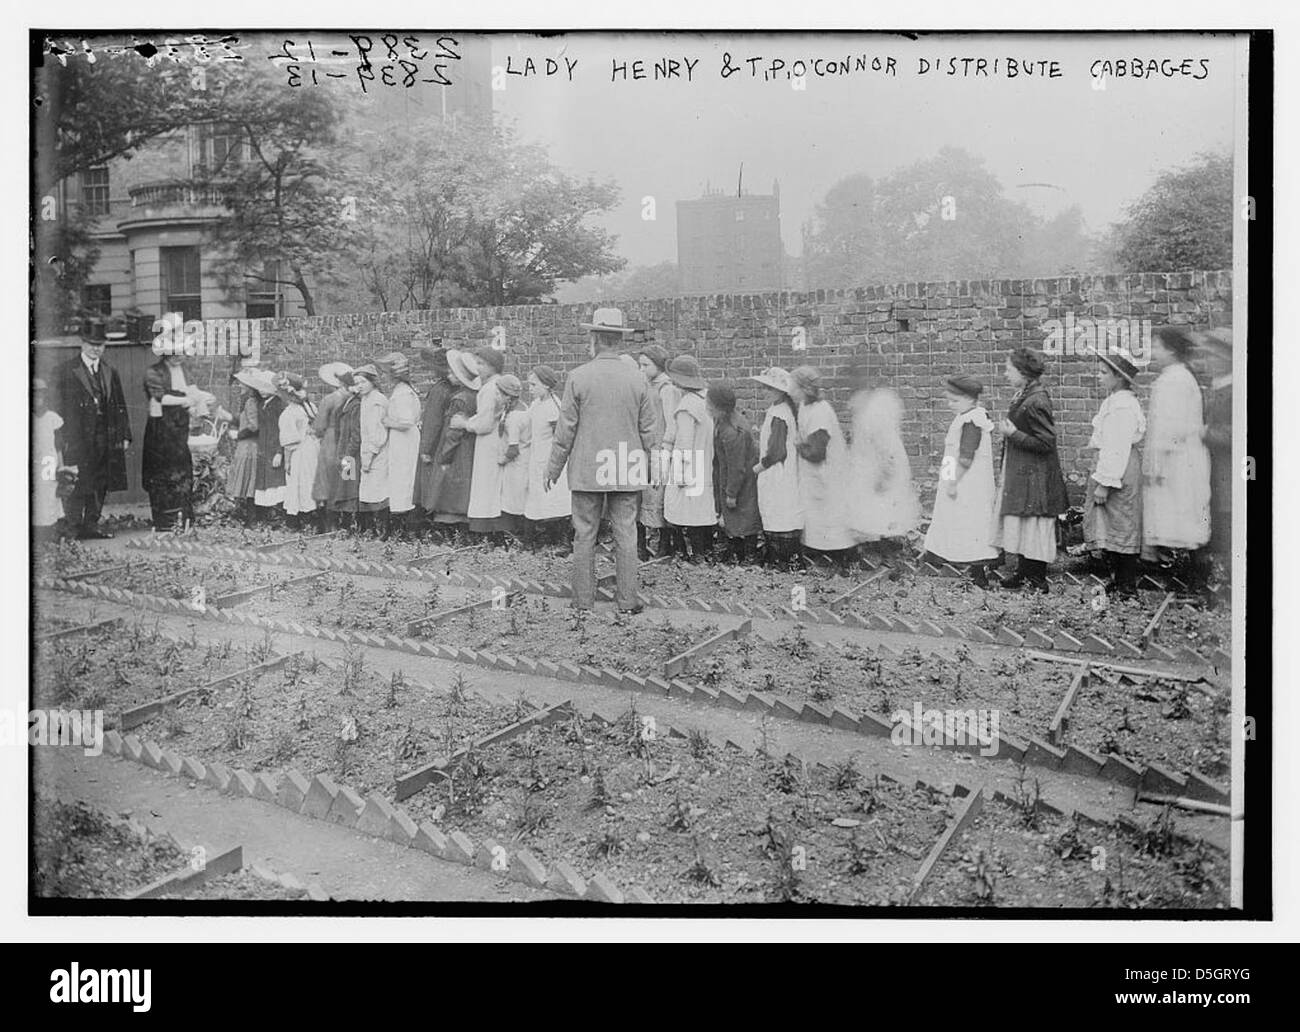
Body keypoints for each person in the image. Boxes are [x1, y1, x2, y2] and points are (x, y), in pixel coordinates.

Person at [545, 307, 658, 613]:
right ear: (620, 340)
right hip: (625, 465)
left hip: (588, 468)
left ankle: (583, 602)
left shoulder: (578, 377)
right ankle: (628, 601)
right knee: (626, 532)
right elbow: (650, 429)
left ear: (594, 337)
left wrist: (553, 468)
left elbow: (565, 429)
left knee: (584, 534)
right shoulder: (638, 379)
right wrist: (656, 467)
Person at [994, 347, 1070, 593]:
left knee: (1034, 524)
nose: (1005, 373)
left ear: (1023, 372)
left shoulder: (1036, 399)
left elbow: (1046, 441)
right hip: (1025, 473)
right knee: (1026, 524)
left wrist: (1013, 434)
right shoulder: (1025, 394)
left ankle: (1037, 580)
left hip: (1036, 476)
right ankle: (1023, 574)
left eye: (1009, 369)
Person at [53, 331, 132, 538]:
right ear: (82, 344)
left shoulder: (109, 371)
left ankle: (91, 525)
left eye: (100, 344)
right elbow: (57, 406)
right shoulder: (65, 371)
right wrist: (59, 437)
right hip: (77, 437)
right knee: (76, 479)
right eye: (91, 344)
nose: (96, 348)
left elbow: (119, 405)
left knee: (100, 480)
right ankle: (72, 526)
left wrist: (124, 435)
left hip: (104, 436)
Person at [922, 374, 999, 587]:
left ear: (970, 399)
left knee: (969, 522)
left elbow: (965, 457)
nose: (950, 405)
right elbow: (951, 453)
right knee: (954, 520)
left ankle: (977, 571)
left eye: (955, 401)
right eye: (949, 400)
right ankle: (961, 566)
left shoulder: (973, 421)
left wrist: (954, 481)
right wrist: (946, 479)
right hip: (954, 476)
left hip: (967, 482)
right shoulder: (963, 417)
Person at [1082, 351, 1146, 597]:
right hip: (1113, 466)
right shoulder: (1114, 400)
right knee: (1112, 525)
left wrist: (1105, 484)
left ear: (1118, 378)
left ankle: (1128, 586)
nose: (1098, 377)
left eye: (1103, 373)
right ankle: (1118, 580)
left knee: (1122, 524)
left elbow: (1117, 447)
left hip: (1119, 470)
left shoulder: (1123, 405)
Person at [788, 365, 856, 571]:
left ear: (804, 389)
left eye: (793, 385)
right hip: (814, 475)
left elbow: (817, 453)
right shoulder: (804, 406)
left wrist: (798, 446)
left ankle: (842, 559)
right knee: (818, 517)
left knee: (831, 517)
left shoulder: (820, 412)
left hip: (827, 473)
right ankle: (822, 556)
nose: (790, 389)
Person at [845, 387, 919, 546]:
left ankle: (889, 556)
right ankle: (878, 550)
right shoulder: (873, 428)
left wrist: (883, 477)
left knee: (884, 515)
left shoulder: (881, 430)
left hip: (885, 476)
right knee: (873, 514)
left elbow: (888, 457)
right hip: (877, 473)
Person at [663, 355, 718, 562]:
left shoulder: (686, 405)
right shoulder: (706, 399)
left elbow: (684, 443)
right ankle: (705, 553)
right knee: (701, 511)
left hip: (690, 466)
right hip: (705, 463)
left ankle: (690, 555)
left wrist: (680, 473)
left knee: (685, 512)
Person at [749, 367, 803, 569]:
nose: (764, 392)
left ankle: (785, 560)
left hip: (777, 470)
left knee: (780, 512)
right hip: (777, 471)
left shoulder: (780, 413)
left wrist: (759, 467)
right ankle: (778, 559)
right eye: (763, 388)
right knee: (777, 511)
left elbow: (777, 450)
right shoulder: (777, 410)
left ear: (780, 391)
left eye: (768, 389)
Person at [454, 346, 508, 538]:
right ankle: (495, 528)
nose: (477, 368)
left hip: (488, 440)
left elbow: (484, 423)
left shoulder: (489, 389)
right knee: (494, 483)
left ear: (493, 366)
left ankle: (485, 530)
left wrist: (464, 424)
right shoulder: (499, 385)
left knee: (486, 483)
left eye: (481, 364)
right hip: (498, 438)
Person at [141, 351, 196, 531]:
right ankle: (165, 521)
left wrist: (199, 399)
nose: (179, 357)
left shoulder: (185, 370)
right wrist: (186, 399)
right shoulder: (155, 372)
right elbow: (160, 397)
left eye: (182, 353)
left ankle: (184, 518)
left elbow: (192, 390)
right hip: (162, 430)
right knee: (162, 473)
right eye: (175, 353)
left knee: (183, 471)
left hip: (180, 429)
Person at [428, 349, 481, 533]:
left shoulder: (459, 399)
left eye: (452, 372)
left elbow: (453, 433)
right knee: (464, 488)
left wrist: (444, 456)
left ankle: (451, 531)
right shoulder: (476, 396)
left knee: (449, 490)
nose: (449, 375)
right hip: (469, 448)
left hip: (457, 451)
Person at [636, 345, 680, 559]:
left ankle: (665, 544)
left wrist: (666, 449)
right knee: (642, 495)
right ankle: (641, 546)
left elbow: (672, 423)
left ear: (659, 366)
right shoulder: (645, 385)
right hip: (645, 447)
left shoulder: (667, 389)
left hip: (660, 448)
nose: (641, 369)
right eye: (640, 365)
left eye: (646, 365)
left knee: (659, 496)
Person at [707, 384, 761, 563]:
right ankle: (738, 554)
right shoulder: (725, 422)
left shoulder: (732, 432)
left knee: (744, 518)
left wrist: (731, 493)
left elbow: (737, 466)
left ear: (720, 408)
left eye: (710, 405)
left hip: (740, 481)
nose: (707, 408)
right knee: (735, 518)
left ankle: (750, 557)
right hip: (731, 478)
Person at [523, 365, 572, 545]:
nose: (530, 389)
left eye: (534, 385)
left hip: (550, 458)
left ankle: (563, 540)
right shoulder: (536, 404)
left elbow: (560, 437)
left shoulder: (554, 407)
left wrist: (553, 462)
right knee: (537, 496)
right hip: (536, 456)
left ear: (546, 386)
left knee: (556, 497)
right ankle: (537, 539)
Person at [1198, 328, 1233, 567]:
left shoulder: (1235, 390)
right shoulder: (1216, 387)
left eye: (1213, 356)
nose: (1208, 361)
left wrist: (1205, 432)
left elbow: (1238, 434)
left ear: (1227, 358)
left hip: (1231, 469)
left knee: (1228, 518)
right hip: (1213, 468)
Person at [378, 351, 422, 539]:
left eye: (385, 373)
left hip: (404, 442)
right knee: (401, 482)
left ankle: (406, 530)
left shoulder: (403, 393)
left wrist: (387, 422)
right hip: (402, 442)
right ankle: (403, 528)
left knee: (403, 481)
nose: (383, 377)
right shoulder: (402, 390)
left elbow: (406, 422)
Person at [414, 348, 456, 531]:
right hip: (449, 442)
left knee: (430, 485)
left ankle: (430, 524)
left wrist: (426, 449)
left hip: (437, 445)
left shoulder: (440, 390)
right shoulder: (456, 387)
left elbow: (432, 422)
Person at [311, 362, 353, 531]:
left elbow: (319, 426)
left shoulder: (329, 399)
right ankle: (348, 522)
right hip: (348, 440)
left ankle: (330, 524)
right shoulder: (353, 399)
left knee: (326, 480)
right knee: (346, 476)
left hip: (330, 441)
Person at [277, 373, 320, 532]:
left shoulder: (289, 413)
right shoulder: (310, 407)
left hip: (300, 451)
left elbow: (290, 442)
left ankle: (297, 520)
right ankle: (312, 517)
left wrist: (287, 461)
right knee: (310, 480)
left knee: (297, 482)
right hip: (312, 448)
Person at [354, 364, 390, 535]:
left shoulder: (376, 400)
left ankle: (384, 530)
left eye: (362, 382)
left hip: (377, 453)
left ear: (372, 382)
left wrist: (369, 455)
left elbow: (377, 432)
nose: (359, 386)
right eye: (357, 383)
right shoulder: (366, 399)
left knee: (378, 490)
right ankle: (372, 529)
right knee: (368, 490)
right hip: (367, 451)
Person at [226, 369, 264, 526]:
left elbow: (254, 427)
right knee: (250, 482)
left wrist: (237, 435)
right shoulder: (252, 401)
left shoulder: (250, 402)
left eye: (241, 383)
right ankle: (253, 519)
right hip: (249, 446)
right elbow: (247, 422)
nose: (238, 385)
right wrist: (228, 417)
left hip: (249, 447)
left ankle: (252, 521)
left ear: (249, 386)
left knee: (249, 482)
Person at [495, 373, 530, 538]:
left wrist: (502, 459)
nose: (497, 397)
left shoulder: (515, 418)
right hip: (519, 462)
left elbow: (514, 448)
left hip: (518, 463)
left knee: (516, 499)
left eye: (500, 394)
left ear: (508, 396)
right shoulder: (518, 408)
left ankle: (519, 535)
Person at [32, 378, 65, 541]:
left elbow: (58, 445)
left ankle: (49, 533)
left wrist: (62, 466)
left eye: (41, 394)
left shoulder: (52, 418)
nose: (38, 398)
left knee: (49, 495)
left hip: (48, 462)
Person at [254, 369, 286, 518]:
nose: (261, 391)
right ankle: (268, 514)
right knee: (265, 483)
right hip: (264, 449)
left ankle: (278, 514)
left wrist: (279, 452)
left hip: (274, 449)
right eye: (259, 387)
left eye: (264, 387)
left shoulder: (278, 405)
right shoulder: (262, 404)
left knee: (276, 483)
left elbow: (282, 430)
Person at [334, 372, 363, 529]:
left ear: (351, 388)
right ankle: (346, 524)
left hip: (351, 455)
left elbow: (356, 435)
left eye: (342, 388)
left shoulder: (356, 406)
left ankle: (352, 525)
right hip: (345, 454)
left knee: (350, 489)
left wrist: (347, 456)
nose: (339, 391)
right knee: (345, 487)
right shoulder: (346, 404)